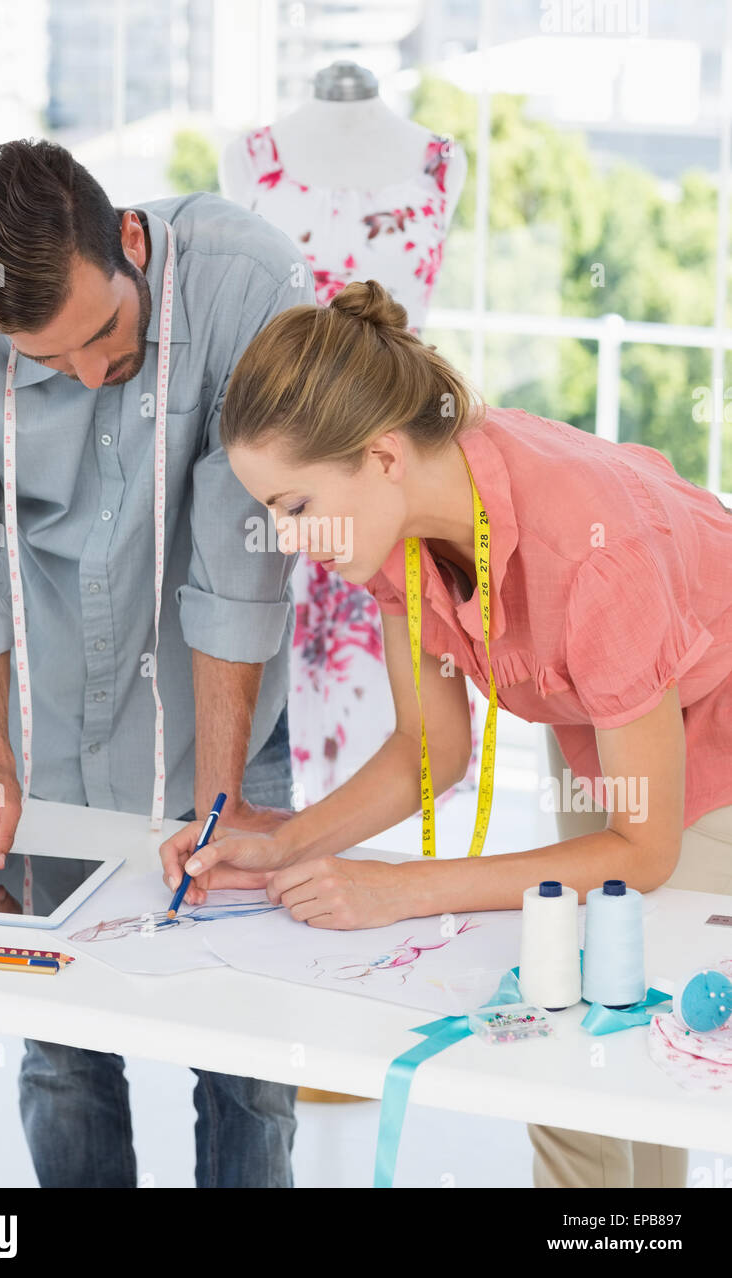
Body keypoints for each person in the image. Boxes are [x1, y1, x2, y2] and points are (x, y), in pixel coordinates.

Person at [160, 276, 732, 1188]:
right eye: (269, 510)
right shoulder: (393, 528)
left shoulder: (594, 558)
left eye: (295, 506)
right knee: (573, 1030)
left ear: (382, 457)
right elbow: (433, 750)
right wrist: (282, 847)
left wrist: (398, 891)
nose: (285, 539)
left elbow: (646, 850)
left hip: (717, 709)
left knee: (652, 1030)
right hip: (612, 715)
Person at [0, 137, 317, 1189]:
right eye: (48, 360)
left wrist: (218, 798)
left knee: (247, 1060)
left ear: (129, 239)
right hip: (50, 737)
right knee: (63, 1045)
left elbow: (238, 565)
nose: (89, 373)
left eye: (103, 333)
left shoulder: (249, 288)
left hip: (228, 717)